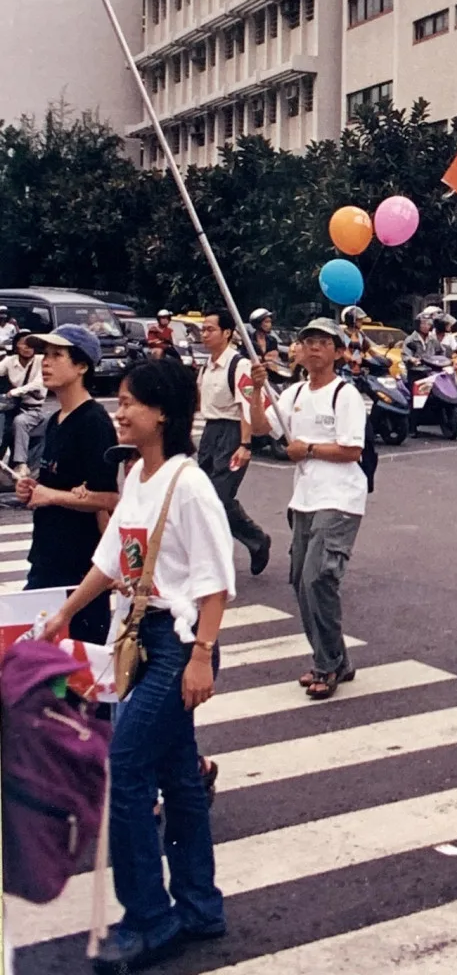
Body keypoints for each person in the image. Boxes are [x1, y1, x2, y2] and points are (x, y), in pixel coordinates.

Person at [41, 359, 234, 972]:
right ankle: (201, 907)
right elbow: (111, 562)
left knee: (124, 770)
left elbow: (215, 586)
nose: (119, 412)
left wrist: (201, 658)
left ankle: (150, 919)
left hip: (178, 646)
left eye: (129, 403)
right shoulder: (139, 481)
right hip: (141, 641)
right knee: (177, 777)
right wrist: (63, 615)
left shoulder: (189, 485)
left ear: (164, 415)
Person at [248, 319, 367, 701]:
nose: (314, 348)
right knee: (301, 581)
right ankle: (337, 658)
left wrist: (309, 449)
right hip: (304, 498)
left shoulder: (344, 394)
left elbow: (352, 450)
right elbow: (262, 427)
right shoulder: (294, 392)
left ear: (337, 351)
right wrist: (254, 390)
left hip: (340, 499)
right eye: (307, 341)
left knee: (319, 578)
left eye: (322, 342)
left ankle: (327, 665)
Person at [16, 326, 118, 644]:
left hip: (80, 572)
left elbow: (110, 499)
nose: (46, 362)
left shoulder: (95, 423)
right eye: (44, 355)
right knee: (33, 666)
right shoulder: (56, 419)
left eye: (57, 355)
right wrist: (34, 489)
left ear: (82, 366)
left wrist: (51, 496)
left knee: (79, 676)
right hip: (47, 558)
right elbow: (57, 485)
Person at [196, 309, 271, 576]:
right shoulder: (207, 364)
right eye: (203, 329)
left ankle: (256, 540)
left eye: (210, 329)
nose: (204, 334)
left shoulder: (237, 365)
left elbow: (246, 407)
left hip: (232, 434)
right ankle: (242, 544)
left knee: (219, 497)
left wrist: (245, 444)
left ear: (227, 333)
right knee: (204, 497)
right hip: (210, 434)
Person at [0, 330, 47, 463]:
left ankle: (21, 463)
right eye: (23, 344)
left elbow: (38, 383)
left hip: (33, 410)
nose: (27, 348)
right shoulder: (10, 361)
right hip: (12, 407)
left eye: (30, 345)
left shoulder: (41, 361)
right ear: (16, 346)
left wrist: (16, 391)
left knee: (20, 422)